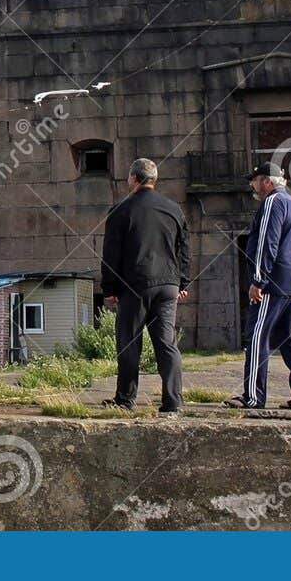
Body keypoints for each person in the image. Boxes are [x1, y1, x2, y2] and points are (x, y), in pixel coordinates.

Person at [100, 157, 189, 412]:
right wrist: (183, 281)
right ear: (154, 180)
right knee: (166, 343)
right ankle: (173, 402)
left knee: (129, 342)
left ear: (133, 178)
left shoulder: (121, 210)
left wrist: (109, 288)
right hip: (168, 284)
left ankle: (125, 399)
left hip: (135, 284)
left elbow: (111, 254)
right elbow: (184, 249)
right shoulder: (174, 209)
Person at [226, 162, 291, 410]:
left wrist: (258, 280)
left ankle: (253, 397)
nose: (252, 185)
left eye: (254, 180)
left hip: (273, 283)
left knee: (257, 336)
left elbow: (267, 242)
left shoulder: (272, 202)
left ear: (267, 181)